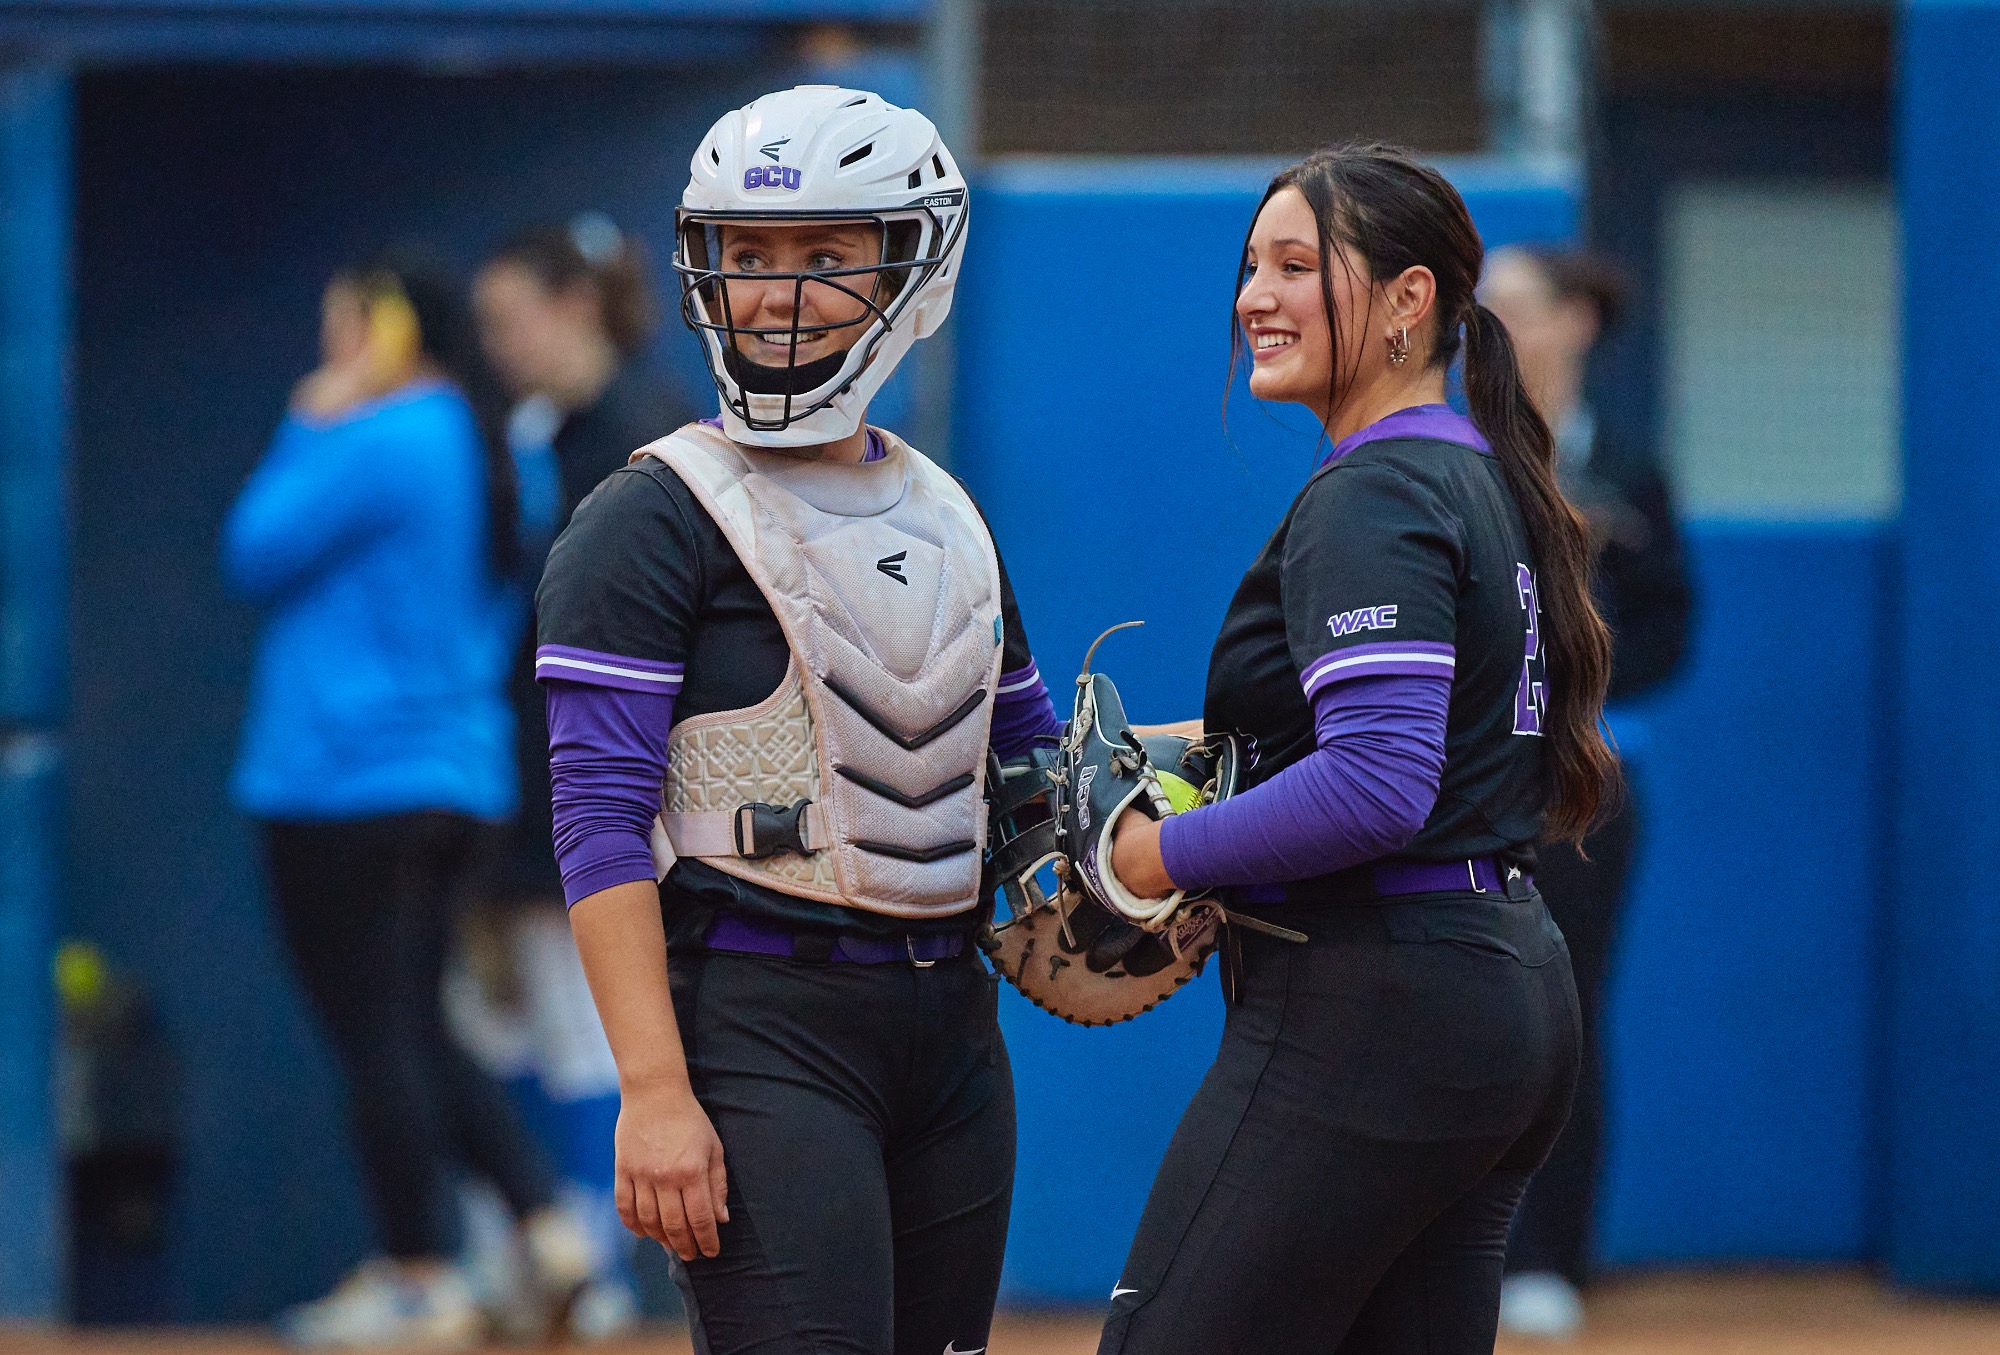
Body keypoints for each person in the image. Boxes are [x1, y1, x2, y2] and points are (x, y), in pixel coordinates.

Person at [534, 87, 1061, 1355]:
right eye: (748, 255)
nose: (773, 293)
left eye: (826, 257)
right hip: (760, 1029)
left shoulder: (948, 514)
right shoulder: (648, 515)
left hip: (949, 1045)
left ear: (917, 267)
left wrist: (1120, 851)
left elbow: (1028, 763)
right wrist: (654, 1091)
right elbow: (597, 822)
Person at [1093, 144, 1618, 1354]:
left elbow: (1376, 784)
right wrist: (1151, 749)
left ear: (1406, 298)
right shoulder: (1475, 472)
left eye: (1294, 263)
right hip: (1494, 989)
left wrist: (1157, 850)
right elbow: (1382, 738)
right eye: (1248, 266)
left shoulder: (1374, 491)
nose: (1252, 298)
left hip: (1377, 1007)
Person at [223, 253, 592, 1349]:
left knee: (373, 1027)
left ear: (381, 333)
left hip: (343, 782)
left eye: (341, 325)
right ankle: (543, 1223)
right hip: (459, 780)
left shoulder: (378, 436)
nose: (328, 347)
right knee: (414, 1021)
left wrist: (310, 421)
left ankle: (420, 1273)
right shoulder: (492, 448)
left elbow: (251, 548)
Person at [1481, 245, 1693, 1337]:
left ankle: (1547, 1255)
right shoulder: (1459, 460)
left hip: (1586, 795)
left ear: (1572, 324)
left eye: (1513, 308)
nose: (1491, 325)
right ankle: (1450, 1250)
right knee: (1468, 1011)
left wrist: (1578, 683)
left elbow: (1669, 627)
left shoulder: (1629, 473)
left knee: (1563, 1014)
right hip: (1468, 790)